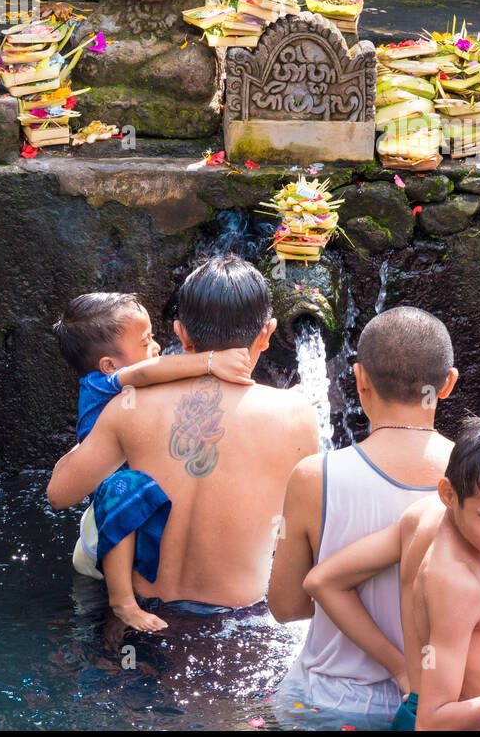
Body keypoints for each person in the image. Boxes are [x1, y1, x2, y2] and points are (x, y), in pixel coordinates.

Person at [47, 255, 317, 615]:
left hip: (142, 614)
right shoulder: (297, 414)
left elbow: (59, 495)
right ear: (267, 333)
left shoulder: (128, 406)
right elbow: (308, 547)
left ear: (181, 335)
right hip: (236, 627)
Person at [303, 415, 480, 730]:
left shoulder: (422, 516)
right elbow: (432, 724)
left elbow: (322, 580)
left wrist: (401, 670)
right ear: (448, 494)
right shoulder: (457, 580)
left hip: (421, 710)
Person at [267, 306, 459, 728]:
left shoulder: (314, 477)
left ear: (359, 379)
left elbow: (285, 607)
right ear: (447, 384)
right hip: (440, 706)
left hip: (326, 704)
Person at [51, 290, 255, 631]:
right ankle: (122, 602)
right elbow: (146, 373)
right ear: (109, 365)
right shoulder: (106, 384)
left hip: (132, 511)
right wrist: (209, 361)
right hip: (111, 516)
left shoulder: (124, 389)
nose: (157, 348)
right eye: (146, 342)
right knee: (126, 488)